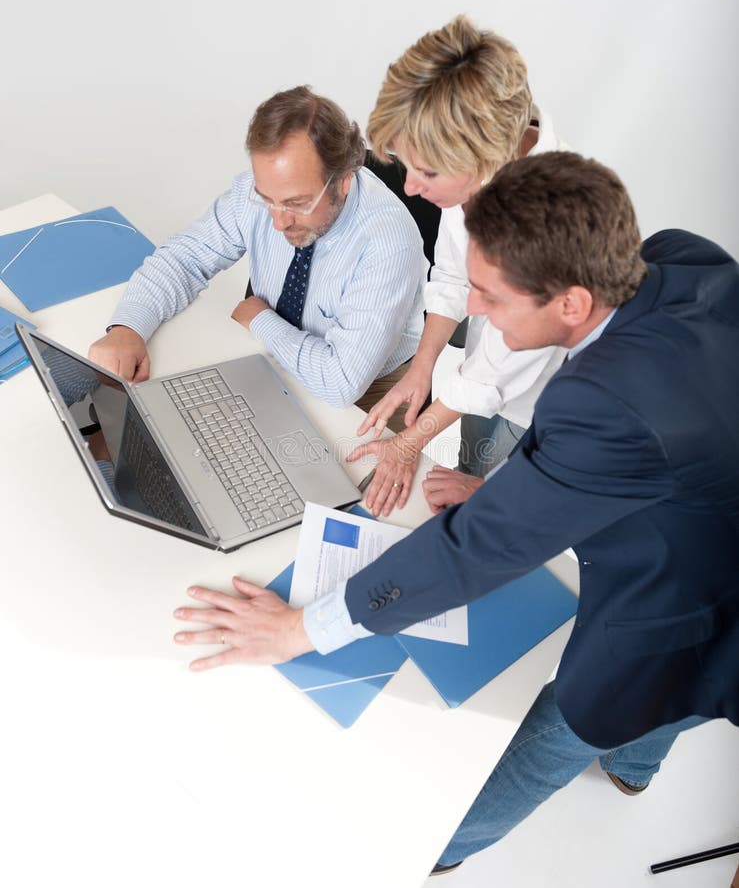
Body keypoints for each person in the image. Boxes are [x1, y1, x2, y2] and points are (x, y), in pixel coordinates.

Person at [172, 152, 739, 874]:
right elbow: (654, 444)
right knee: (667, 697)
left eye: (491, 296)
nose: (473, 309)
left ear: (571, 302)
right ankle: (635, 764)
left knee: (580, 715)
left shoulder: (607, 407)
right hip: (706, 504)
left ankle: (440, 848)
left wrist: (298, 629)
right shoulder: (680, 258)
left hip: (707, 599)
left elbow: (469, 553)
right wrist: (533, 493)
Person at [89, 87, 426, 432]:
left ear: (343, 182)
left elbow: (341, 381)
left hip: (369, 392)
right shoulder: (263, 188)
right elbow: (185, 257)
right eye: (268, 199)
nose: (278, 222)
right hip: (269, 354)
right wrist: (127, 328)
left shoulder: (388, 244)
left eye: (297, 203)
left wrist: (261, 320)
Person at [352, 15, 567, 516]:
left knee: (504, 508)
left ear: (485, 160)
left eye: (426, 173)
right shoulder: (483, 160)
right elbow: (450, 275)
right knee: (465, 472)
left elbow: (495, 373)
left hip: (545, 408)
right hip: (485, 381)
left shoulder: (550, 232)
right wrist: (421, 368)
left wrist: (409, 443)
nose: (410, 189)